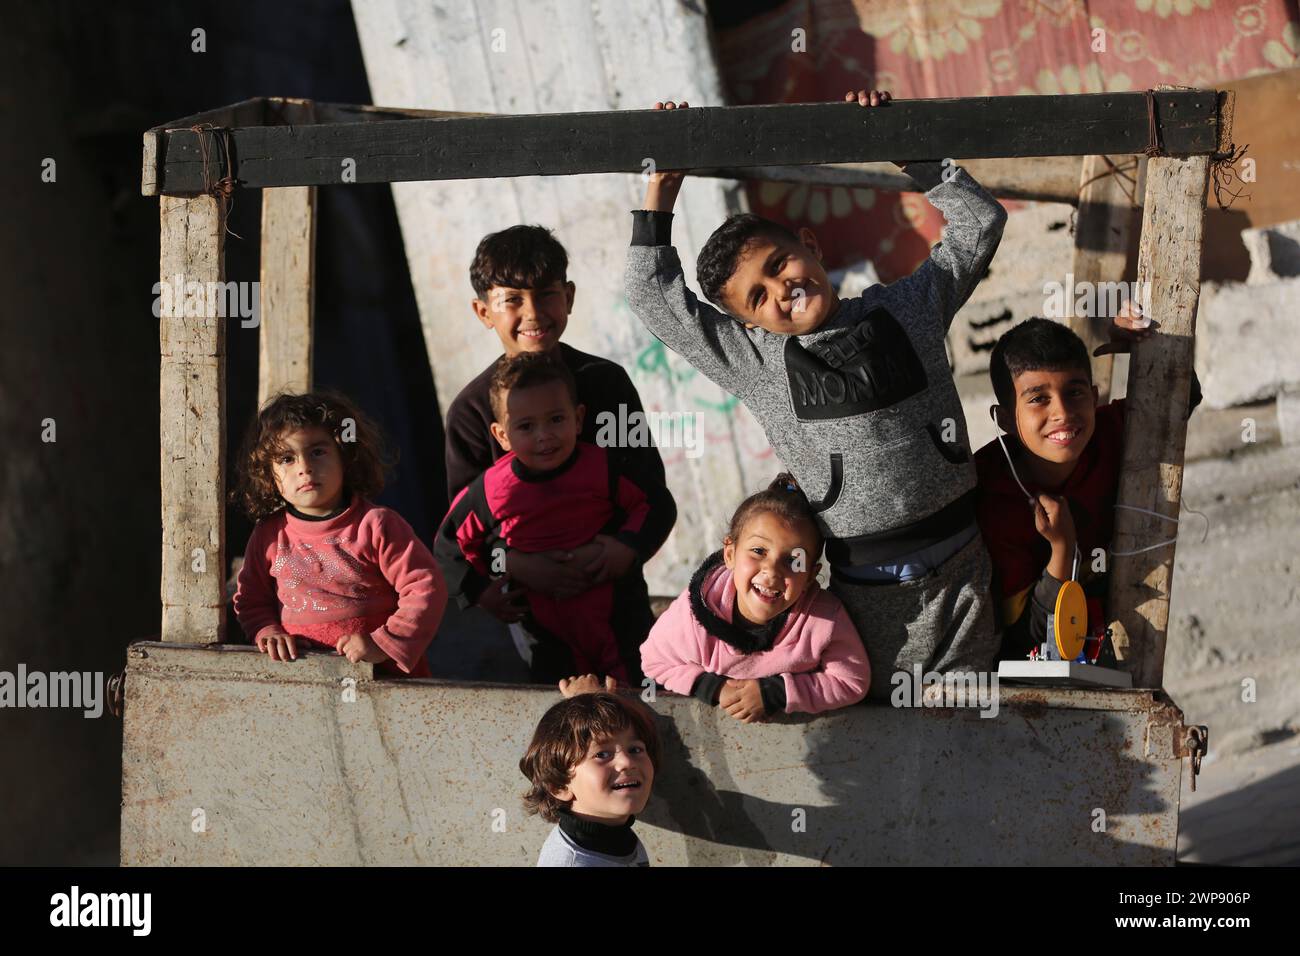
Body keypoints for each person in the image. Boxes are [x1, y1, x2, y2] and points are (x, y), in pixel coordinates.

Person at [623, 90, 1007, 698]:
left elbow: (980, 222)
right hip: (872, 596)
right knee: (888, 736)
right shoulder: (753, 360)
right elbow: (651, 293)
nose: (781, 289)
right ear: (747, 322)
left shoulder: (909, 306)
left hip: (967, 570)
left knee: (972, 730)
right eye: (757, 297)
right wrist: (661, 188)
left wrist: (898, 142)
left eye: (780, 264)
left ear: (811, 245)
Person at [443, 224, 676, 632]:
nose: (533, 313)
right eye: (512, 300)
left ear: (568, 297)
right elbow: (465, 531)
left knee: (631, 690)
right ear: (483, 312)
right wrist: (515, 565)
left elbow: (651, 491)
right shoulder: (472, 412)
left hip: (615, 591)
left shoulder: (606, 383)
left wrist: (625, 547)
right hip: (531, 609)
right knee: (550, 695)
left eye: (547, 294)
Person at [975, 300, 1199, 660]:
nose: (1062, 413)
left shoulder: (1109, 434)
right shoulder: (993, 494)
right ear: (1004, 419)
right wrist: (1062, 549)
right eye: (1038, 399)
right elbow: (1024, 639)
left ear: (1094, 399)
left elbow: (1180, 398)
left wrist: (1145, 345)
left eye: (1075, 393)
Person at [435, 352, 670, 684]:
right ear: (501, 435)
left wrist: (626, 547)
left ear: (578, 419)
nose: (544, 435)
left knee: (643, 698)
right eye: (526, 426)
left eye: (556, 420)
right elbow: (450, 544)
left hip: (619, 616)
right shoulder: (492, 490)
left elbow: (655, 503)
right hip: (545, 631)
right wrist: (482, 590)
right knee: (564, 716)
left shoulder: (602, 467)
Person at [232, 391, 446, 677]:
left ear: (345, 457)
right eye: (286, 459)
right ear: (268, 474)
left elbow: (425, 588)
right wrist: (268, 630)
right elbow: (251, 599)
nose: (304, 468)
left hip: (383, 681)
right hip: (302, 682)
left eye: (317, 452)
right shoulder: (268, 535)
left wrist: (384, 643)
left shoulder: (377, 525)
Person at [639, 474, 870, 721]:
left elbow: (851, 681)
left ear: (811, 575)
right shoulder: (696, 611)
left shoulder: (823, 618)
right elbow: (654, 662)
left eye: (794, 561)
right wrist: (714, 688)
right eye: (759, 551)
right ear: (729, 554)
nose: (771, 572)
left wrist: (776, 692)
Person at [520, 692, 659, 867]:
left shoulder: (617, 839)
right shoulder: (572, 863)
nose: (627, 762)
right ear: (558, 786)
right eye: (602, 754)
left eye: (635, 750)